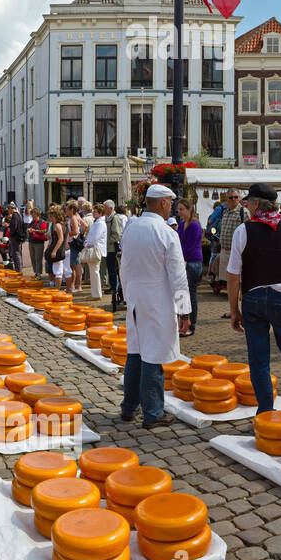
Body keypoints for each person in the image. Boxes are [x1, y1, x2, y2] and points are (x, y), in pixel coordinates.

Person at [226, 182, 281, 414]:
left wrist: (234, 310)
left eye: (248, 203)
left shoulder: (243, 230)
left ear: (255, 204)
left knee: (258, 360)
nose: (248, 207)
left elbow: (233, 275)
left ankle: (265, 411)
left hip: (254, 298)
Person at [119, 184, 191, 429]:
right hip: (158, 299)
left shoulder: (132, 228)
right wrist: (184, 309)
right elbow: (178, 275)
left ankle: (129, 407)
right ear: (162, 203)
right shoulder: (166, 232)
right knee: (153, 354)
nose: (170, 206)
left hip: (136, 296)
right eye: (170, 202)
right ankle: (153, 412)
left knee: (136, 351)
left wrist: (128, 295)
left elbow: (124, 267)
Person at [212, 188, 250, 304]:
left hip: (238, 253)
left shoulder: (244, 212)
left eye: (236, 197)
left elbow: (249, 233)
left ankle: (242, 308)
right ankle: (233, 309)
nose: (234, 199)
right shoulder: (225, 212)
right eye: (231, 197)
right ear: (226, 199)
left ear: (239, 198)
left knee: (240, 282)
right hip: (225, 251)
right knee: (229, 282)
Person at [176, 199, 204, 336]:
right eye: (178, 209)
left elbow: (189, 247)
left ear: (189, 209)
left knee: (191, 294)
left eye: (181, 209)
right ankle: (182, 322)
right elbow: (178, 242)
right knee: (181, 293)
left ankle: (191, 325)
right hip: (183, 261)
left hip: (192, 262)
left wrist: (178, 257)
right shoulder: (182, 224)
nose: (179, 212)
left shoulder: (194, 225)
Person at [83, 204, 107, 300]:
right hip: (93, 247)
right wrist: (87, 242)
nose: (93, 213)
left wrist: (86, 243)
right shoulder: (97, 222)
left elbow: (95, 238)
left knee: (95, 272)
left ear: (100, 213)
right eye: (93, 211)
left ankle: (96, 294)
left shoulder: (100, 223)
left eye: (95, 212)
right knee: (93, 272)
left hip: (96, 249)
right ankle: (95, 293)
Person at [44, 205, 68, 289]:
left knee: (58, 271)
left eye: (51, 216)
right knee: (59, 270)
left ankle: (57, 289)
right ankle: (57, 288)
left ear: (55, 216)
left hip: (58, 249)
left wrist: (54, 251)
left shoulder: (58, 225)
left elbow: (60, 239)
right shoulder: (64, 224)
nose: (50, 218)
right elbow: (65, 237)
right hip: (61, 249)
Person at [26, 202, 47, 278]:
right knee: (33, 258)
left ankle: (39, 273)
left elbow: (44, 231)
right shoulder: (31, 222)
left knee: (38, 258)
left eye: (33, 214)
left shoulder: (42, 222)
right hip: (31, 242)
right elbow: (29, 229)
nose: (32, 216)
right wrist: (28, 231)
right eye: (32, 214)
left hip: (39, 242)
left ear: (37, 214)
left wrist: (35, 231)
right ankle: (35, 272)